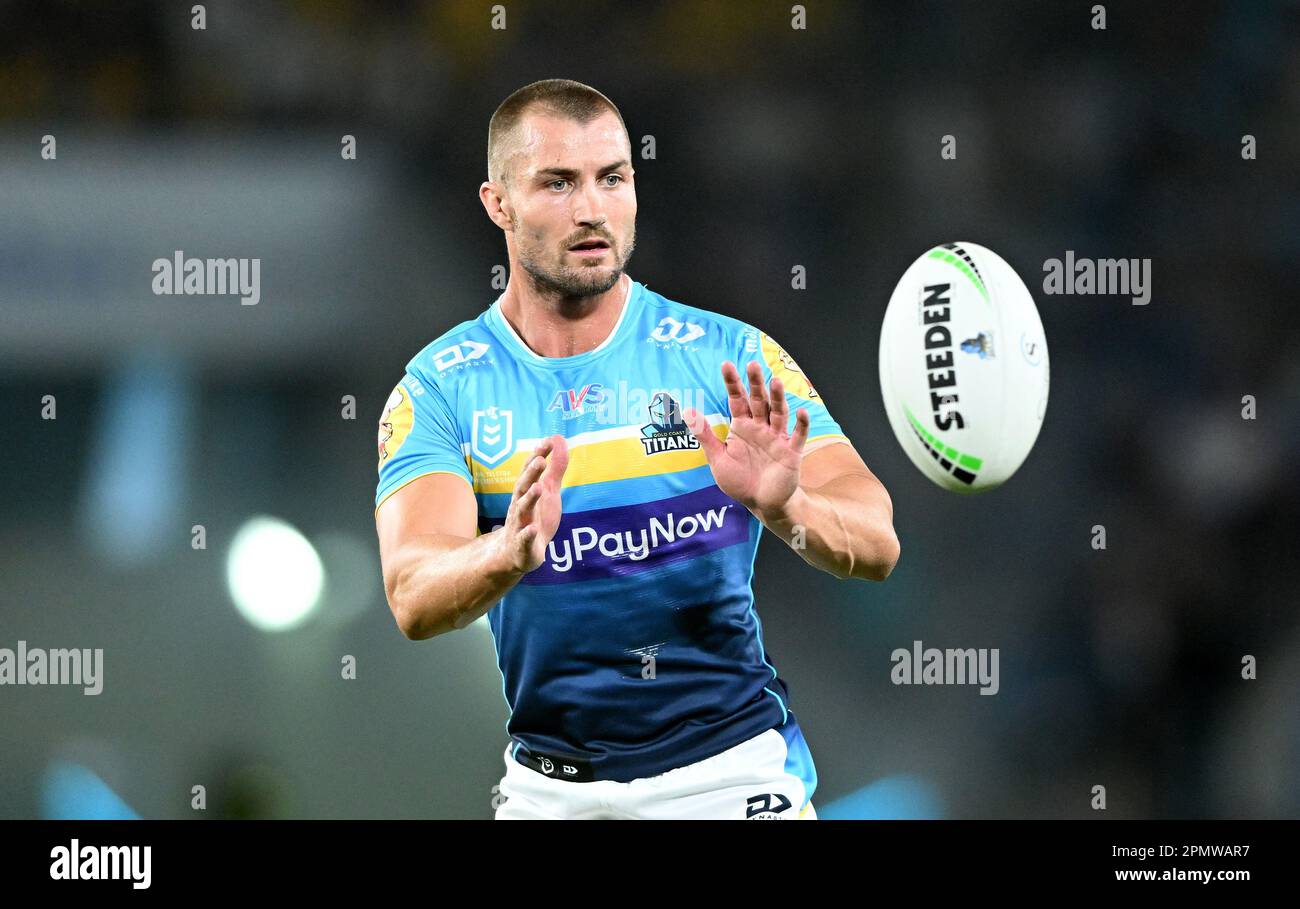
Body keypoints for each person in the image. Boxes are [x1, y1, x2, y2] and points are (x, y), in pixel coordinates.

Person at [374, 79, 900, 819]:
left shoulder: (730, 359)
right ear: (498, 203)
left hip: (729, 774)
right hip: (548, 790)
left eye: (611, 178)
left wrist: (789, 507)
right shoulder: (439, 388)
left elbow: (878, 541)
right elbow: (412, 593)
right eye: (558, 183)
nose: (591, 209)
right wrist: (508, 552)